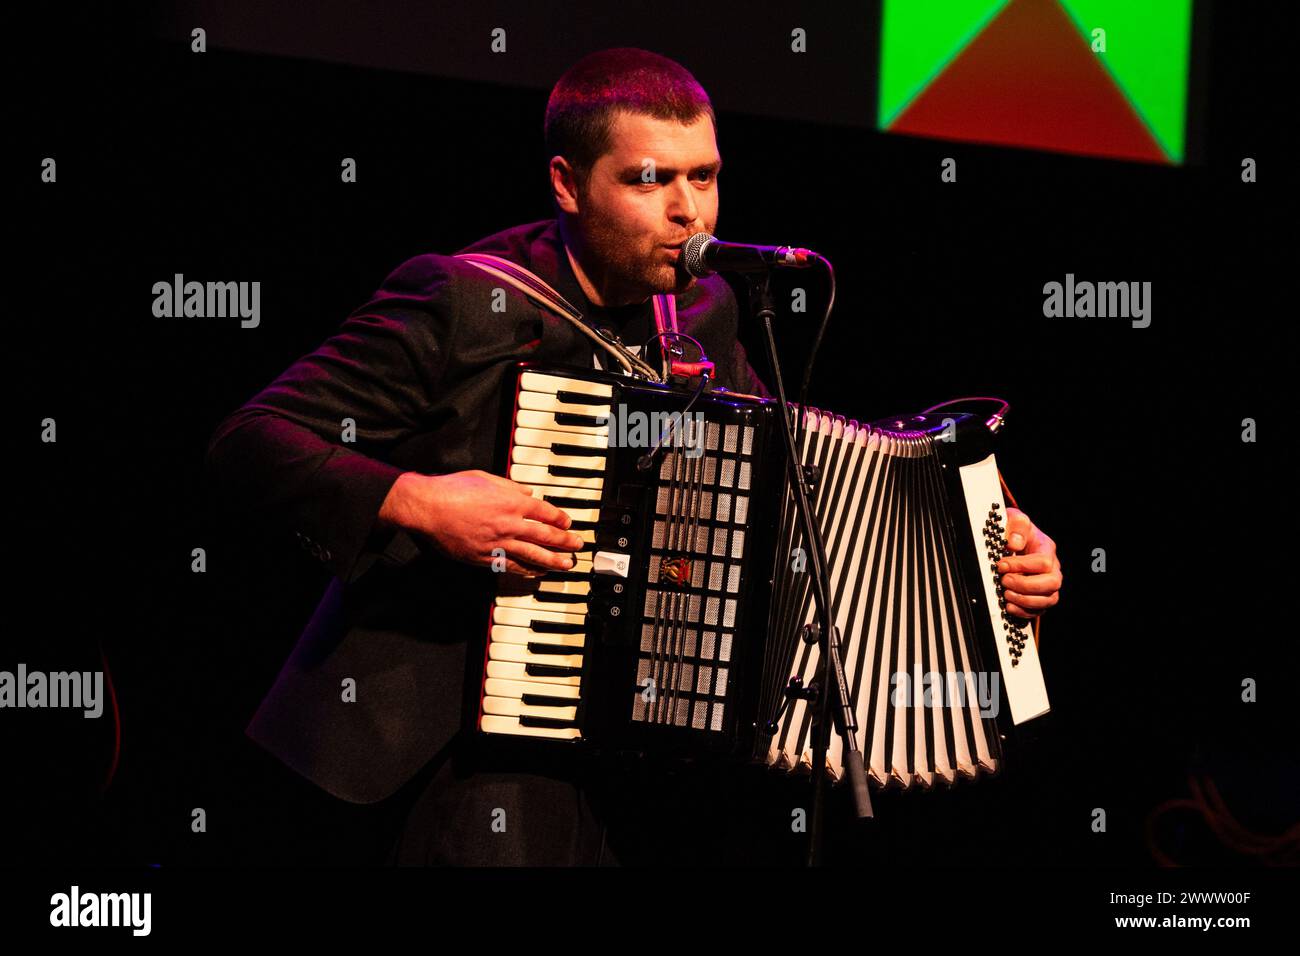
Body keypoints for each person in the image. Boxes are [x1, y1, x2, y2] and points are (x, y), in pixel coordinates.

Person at [204, 47, 1063, 865]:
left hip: (632, 756)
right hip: (451, 745)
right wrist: (419, 502)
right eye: (651, 181)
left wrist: (984, 550)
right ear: (567, 184)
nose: (689, 211)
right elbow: (249, 442)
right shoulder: (460, 300)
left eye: (705, 176)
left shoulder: (705, 310)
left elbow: (793, 478)